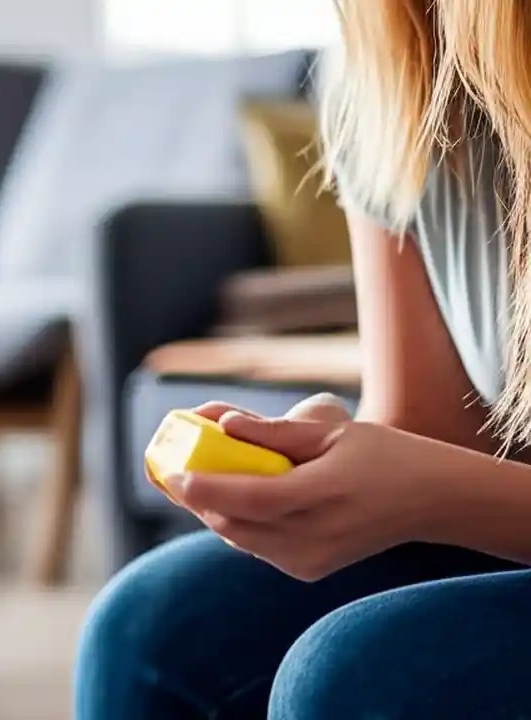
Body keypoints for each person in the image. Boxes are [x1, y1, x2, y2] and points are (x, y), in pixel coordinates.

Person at [75, 2, 531, 718]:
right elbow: (434, 423)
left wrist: (435, 490)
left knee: (355, 678)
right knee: (149, 626)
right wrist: (339, 451)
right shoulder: (388, 58)